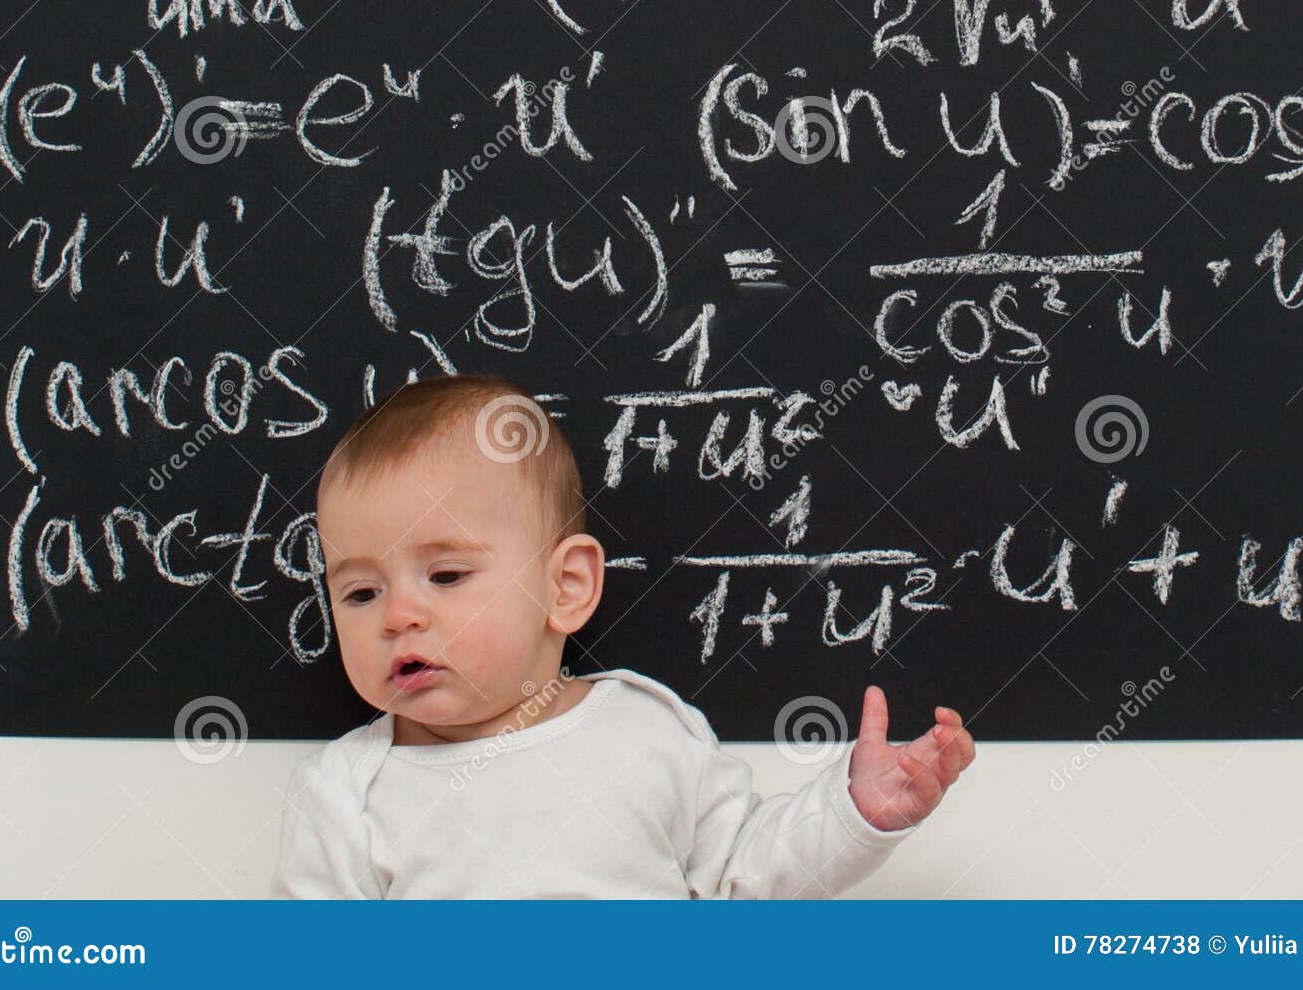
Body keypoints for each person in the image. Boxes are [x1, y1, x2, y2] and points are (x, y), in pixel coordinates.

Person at [273, 372, 976, 899]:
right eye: (361, 592)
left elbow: (746, 875)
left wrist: (855, 814)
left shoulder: (647, 730)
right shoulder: (345, 793)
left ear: (566, 587)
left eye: (447, 575)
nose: (397, 616)